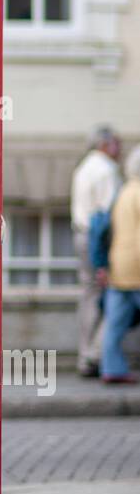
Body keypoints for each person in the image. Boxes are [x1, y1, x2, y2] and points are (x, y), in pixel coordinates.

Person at [70, 125, 121, 377]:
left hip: (80, 233)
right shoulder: (107, 170)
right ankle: (95, 354)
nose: (119, 148)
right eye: (116, 143)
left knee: (89, 294)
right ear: (105, 144)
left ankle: (86, 354)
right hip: (98, 238)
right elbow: (109, 214)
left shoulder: (83, 167)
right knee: (110, 293)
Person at [101, 144, 140, 384]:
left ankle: (112, 368)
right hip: (137, 266)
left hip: (118, 264)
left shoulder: (123, 191)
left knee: (114, 325)